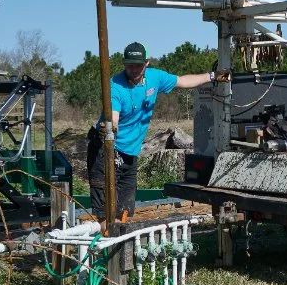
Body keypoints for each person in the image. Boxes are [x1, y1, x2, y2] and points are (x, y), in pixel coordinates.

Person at [86, 42, 228, 220]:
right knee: (106, 212)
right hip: (106, 150)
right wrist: (111, 128)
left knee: (124, 210)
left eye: (138, 65)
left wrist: (213, 76)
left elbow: (183, 81)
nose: (134, 69)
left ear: (147, 63)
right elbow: (113, 116)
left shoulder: (155, 78)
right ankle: (104, 241)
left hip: (130, 152)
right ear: (124, 64)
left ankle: (122, 243)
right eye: (130, 64)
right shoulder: (115, 86)